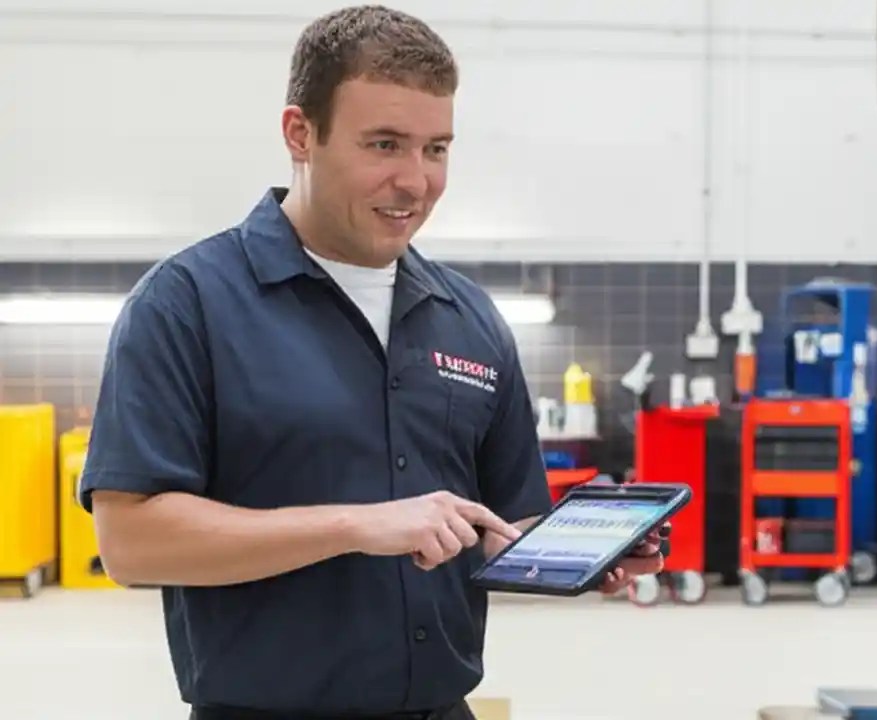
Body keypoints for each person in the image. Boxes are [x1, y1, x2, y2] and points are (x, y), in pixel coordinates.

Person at [78, 6, 662, 719]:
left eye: (436, 149)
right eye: (384, 144)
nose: (415, 181)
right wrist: (356, 525)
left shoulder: (470, 317)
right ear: (300, 134)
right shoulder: (187, 305)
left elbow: (506, 525)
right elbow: (132, 543)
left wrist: (587, 554)